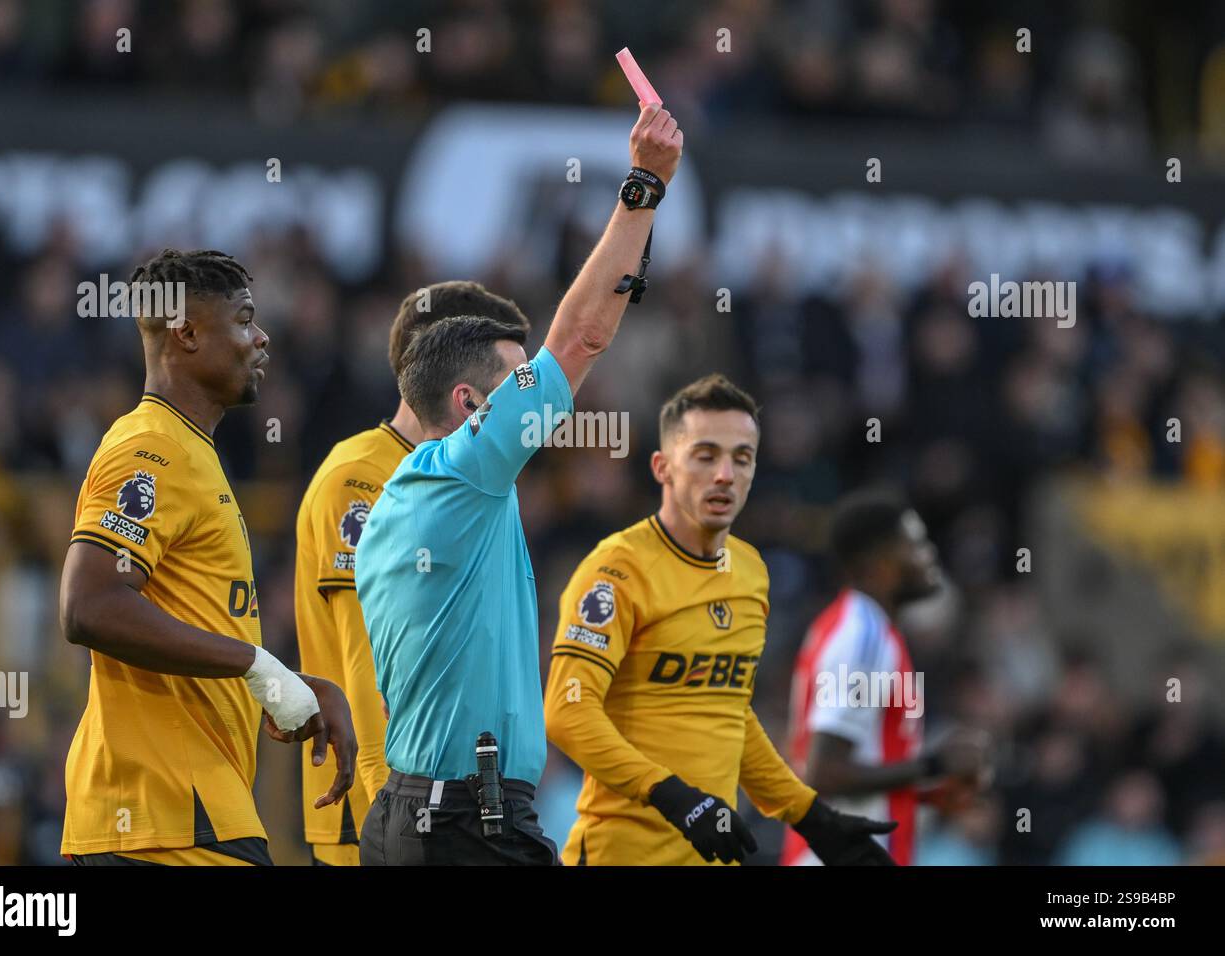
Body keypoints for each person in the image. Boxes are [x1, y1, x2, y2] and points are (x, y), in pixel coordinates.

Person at [355, 104, 682, 865]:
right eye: (513, 383)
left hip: (414, 815)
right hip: (470, 821)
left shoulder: (400, 504)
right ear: (471, 407)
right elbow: (582, 337)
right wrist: (643, 187)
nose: (535, 400)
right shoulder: (464, 474)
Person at [59, 249, 355, 866]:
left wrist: (286, 682)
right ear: (187, 333)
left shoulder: (189, 452)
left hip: (184, 813)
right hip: (168, 816)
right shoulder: (151, 448)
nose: (262, 337)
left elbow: (191, 624)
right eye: (245, 319)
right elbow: (88, 604)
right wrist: (257, 664)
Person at [545, 374, 897, 865]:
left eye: (742, 458)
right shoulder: (617, 570)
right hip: (619, 854)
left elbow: (729, 711)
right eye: (706, 456)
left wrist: (809, 815)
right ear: (663, 467)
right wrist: (671, 795)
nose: (726, 475)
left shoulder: (749, 571)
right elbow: (567, 712)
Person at [293, 281, 531, 865]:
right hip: (379, 821)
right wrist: (398, 826)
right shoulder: (360, 480)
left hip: (451, 818)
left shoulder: (465, 480)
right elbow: (364, 670)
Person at [780, 489, 990, 866]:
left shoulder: (869, 630)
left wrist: (927, 792)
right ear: (878, 564)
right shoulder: (863, 638)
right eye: (915, 544)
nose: (929, 555)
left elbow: (857, 762)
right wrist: (936, 765)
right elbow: (824, 772)